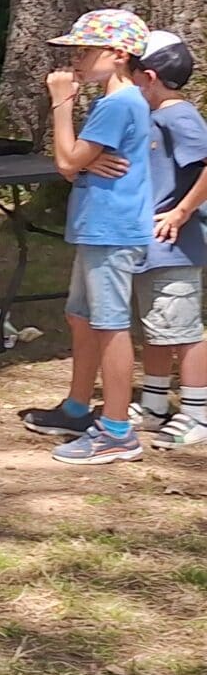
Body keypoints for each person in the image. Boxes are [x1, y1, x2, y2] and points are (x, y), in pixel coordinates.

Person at [24, 9, 155, 464]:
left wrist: (61, 103)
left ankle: (117, 432)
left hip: (112, 229)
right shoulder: (117, 103)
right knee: (82, 318)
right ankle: (78, 408)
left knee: (109, 326)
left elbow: (65, 162)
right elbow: (78, 159)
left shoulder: (117, 103)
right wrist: (83, 160)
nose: (76, 61)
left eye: (85, 51)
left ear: (119, 55)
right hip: (101, 226)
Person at [132, 32, 207, 449]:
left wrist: (181, 211)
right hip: (151, 245)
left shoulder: (178, 116)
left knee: (184, 331)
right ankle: (154, 403)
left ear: (150, 76)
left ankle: (198, 413)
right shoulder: (155, 114)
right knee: (156, 329)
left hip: (174, 244)